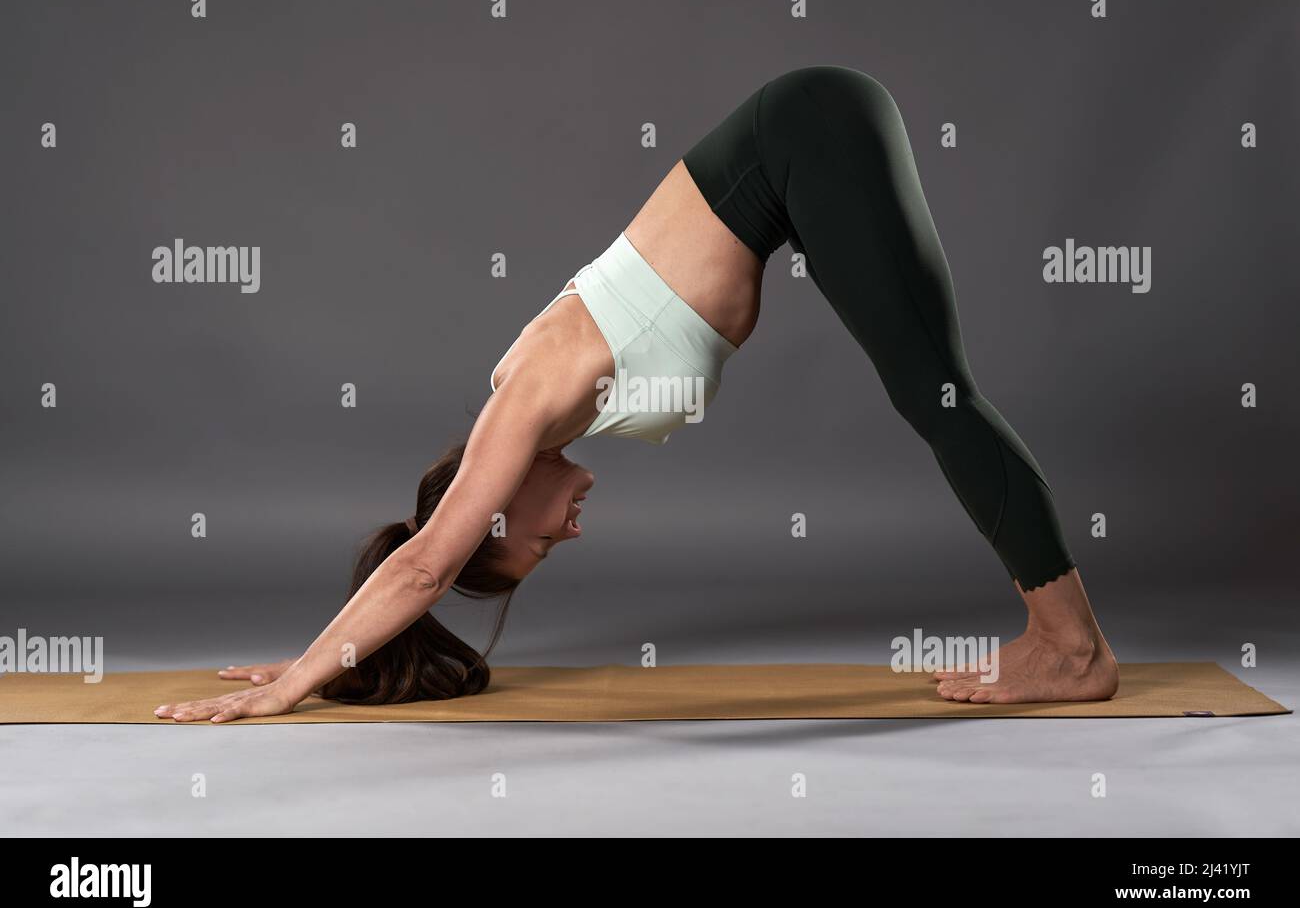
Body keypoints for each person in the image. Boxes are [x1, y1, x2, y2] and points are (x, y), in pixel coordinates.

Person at [154, 65, 1118, 723]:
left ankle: (1071, 650)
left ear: (494, 514)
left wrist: (292, 684)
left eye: (537, 543)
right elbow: (426, 565)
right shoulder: (549, 404)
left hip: (806, 134)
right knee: (934, 393)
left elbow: (422, 569)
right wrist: (333, 658)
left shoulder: (524, 395)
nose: (569, 535)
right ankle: (1066, 640)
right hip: (802, 158)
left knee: (936, 397)